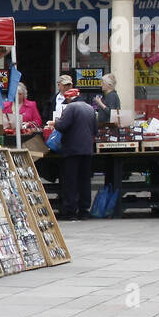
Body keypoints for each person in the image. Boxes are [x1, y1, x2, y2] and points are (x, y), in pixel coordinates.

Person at [47, 86, 98, 220]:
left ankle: (70, 211)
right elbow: (95, 130)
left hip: (72, 150)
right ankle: (84, 210)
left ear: (69, 98)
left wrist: (55, 122)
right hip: (87, 150)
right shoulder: (90, 108)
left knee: (71, 181)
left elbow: (62, 126)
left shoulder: (71, 108)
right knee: (85, 180)